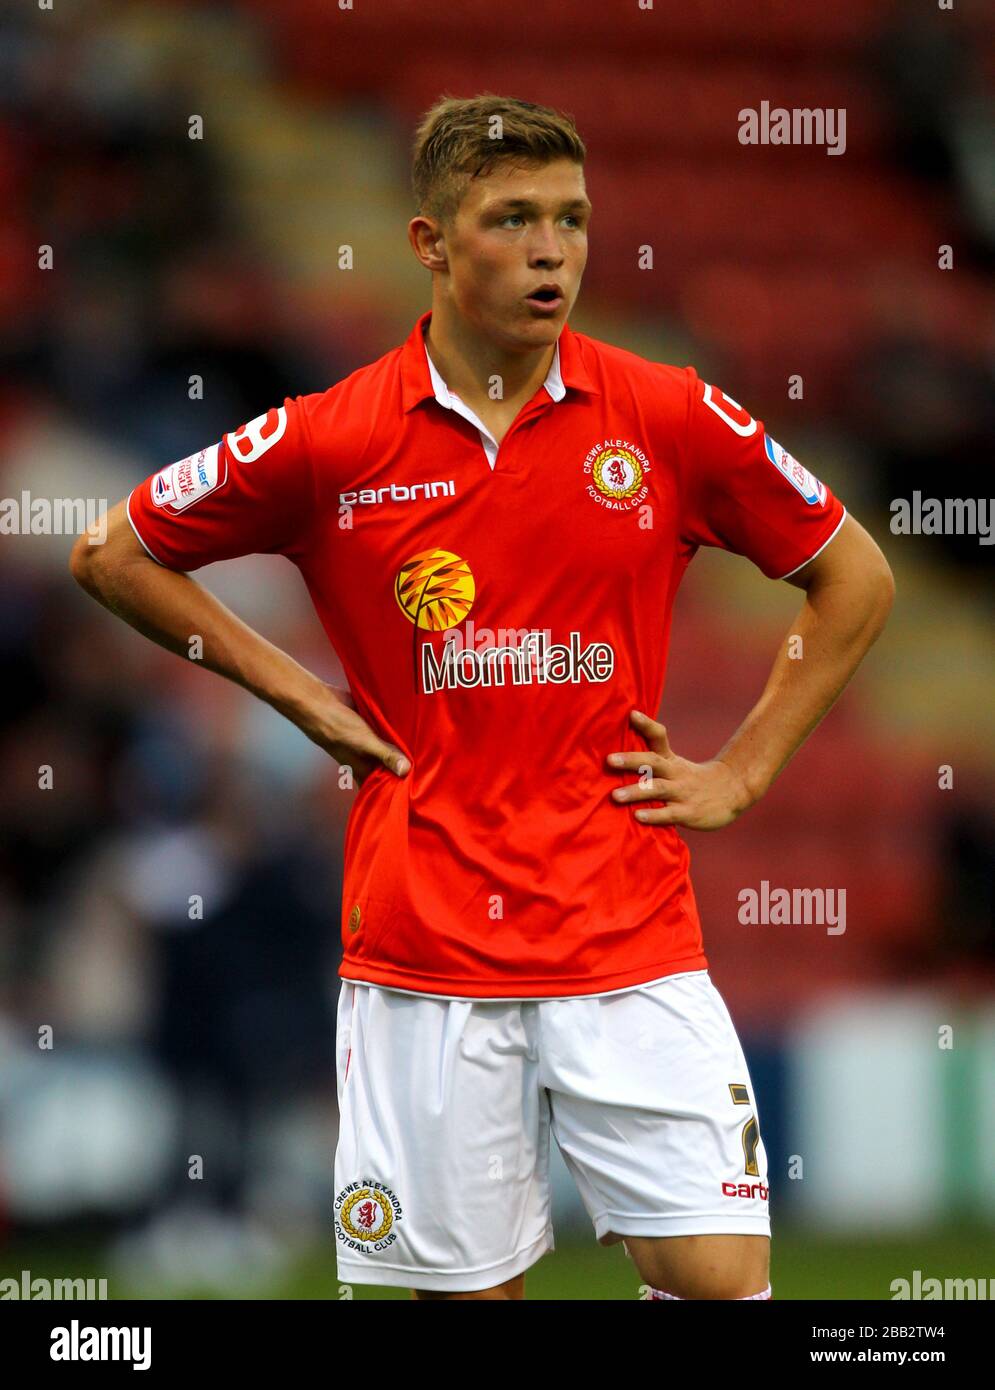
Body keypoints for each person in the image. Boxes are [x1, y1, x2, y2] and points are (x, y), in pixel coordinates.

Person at [70, 94, 895, 1301]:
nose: (551, 248)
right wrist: (299, 692)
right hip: (424, 943)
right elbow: (111, 553)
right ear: (431, 243)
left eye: (571, 218)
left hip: (627, 929)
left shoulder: (666, 413)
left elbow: (854, 576)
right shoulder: (330, 438)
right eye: (512, 219)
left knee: (722, 1282)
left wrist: (743, 769)